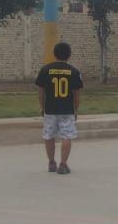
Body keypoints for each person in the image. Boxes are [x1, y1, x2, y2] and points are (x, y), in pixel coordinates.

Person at [35, 42, 84, 174]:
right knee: (67, 136)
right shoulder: (74, 71)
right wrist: (76, 109)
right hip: (67, 109)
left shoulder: (45, 70)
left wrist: (42, 106)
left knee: (49, 135)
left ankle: (51, 162)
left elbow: (41, 91)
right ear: (69, 55)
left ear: (54, 54)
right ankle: (63, 164)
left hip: (50, 109)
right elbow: (76, 94)